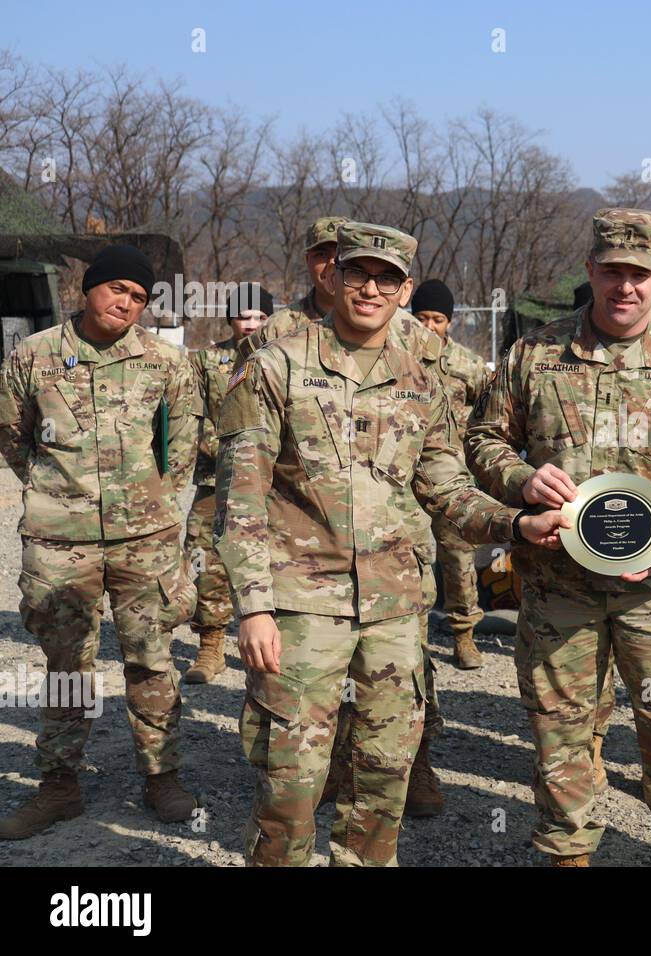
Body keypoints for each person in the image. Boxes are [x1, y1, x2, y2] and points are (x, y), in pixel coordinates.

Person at [214, 222, 566, 866]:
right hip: (299, 607)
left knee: (384, 777)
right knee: (291, 782)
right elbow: (240, 495)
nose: (370, 289)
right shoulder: (275, 362)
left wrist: (515, 525)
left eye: (386, 279)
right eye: (357, 274)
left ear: (404, 292)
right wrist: (255, 606)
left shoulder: (419, 377)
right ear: (334, 277)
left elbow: (445, 485)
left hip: (394, 608)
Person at [464, 208, 651, 867]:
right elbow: (483, 440)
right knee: (561, 739)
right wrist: (524, 479)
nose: (626, 287)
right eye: (612, 271)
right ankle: (568, 855)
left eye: (640, 275)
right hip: (561, 590)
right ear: (589, 271)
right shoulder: (536, 355)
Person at [0, 244, 201, 839]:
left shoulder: (166, 362)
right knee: (68, 666)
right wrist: (57, 494)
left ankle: (160, 777)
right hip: (61, 542)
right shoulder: (33, 357)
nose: (127, 303)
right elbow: (13, 436)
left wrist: (150, 502)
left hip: (147, 540)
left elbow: (184, 444)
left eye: (139, 297)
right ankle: (59, 787)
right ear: (87, 290)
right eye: (117, 289)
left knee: (151, 660)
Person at [183, 282, 272, 684]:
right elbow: (192, 417)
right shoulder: (207, 361)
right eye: (244, 316)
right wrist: (228, 454)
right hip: (217, 479)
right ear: (230, 318)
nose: (251, 324)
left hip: (275, 482)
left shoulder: (282, 356)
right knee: (206, 561)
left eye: (260, 316)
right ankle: (211, 646)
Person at [411, 278, 491, 671]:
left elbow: (489, 413)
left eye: (437, 318)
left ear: (449, 323)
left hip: (449, 477)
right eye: (421, 317)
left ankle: (464, 635)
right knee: (410, 557)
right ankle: (415, 636)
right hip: (402, 477)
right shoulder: (395, 357)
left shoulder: (467, 366)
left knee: (458, 557)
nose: (429, 326)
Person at [236, 216, 347, 359]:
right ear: (308, 260)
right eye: (322, 255)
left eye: (340, 254)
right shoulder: (275, 330)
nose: (332, 264)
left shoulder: (378, 325)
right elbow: (242, 376)